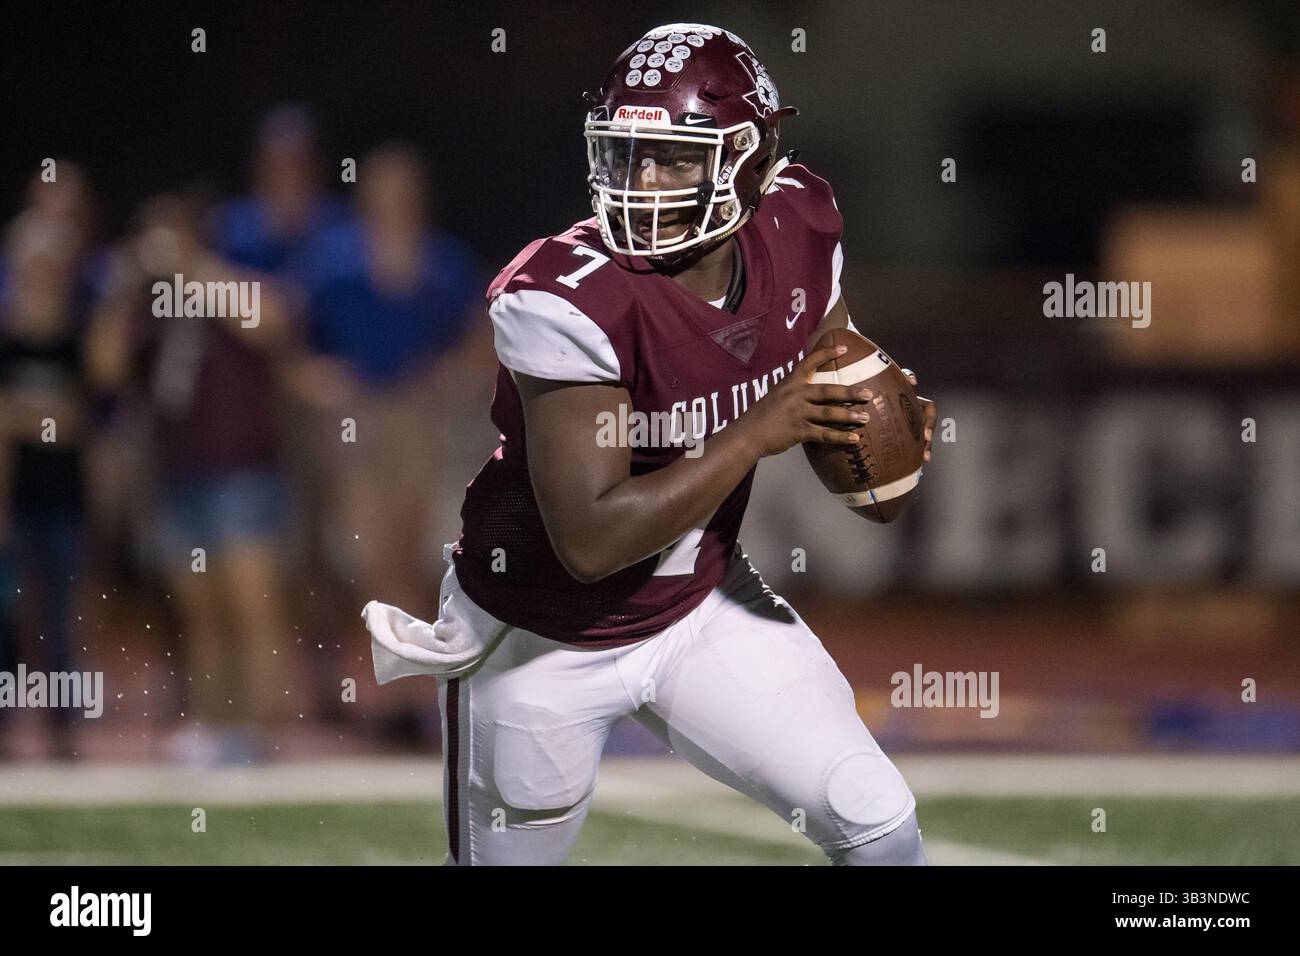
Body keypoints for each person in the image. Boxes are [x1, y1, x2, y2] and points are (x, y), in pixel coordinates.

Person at [371, 23, 936, 865]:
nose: (645, 183)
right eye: (629, 156)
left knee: (876, 819)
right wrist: (758, 431)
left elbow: (831, 366)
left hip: (696, 608)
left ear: (748, 159)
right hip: (540, 639)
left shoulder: (800, 225)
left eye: (674, 158)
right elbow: (591, 541)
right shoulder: (565, 299)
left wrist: (871, 420)